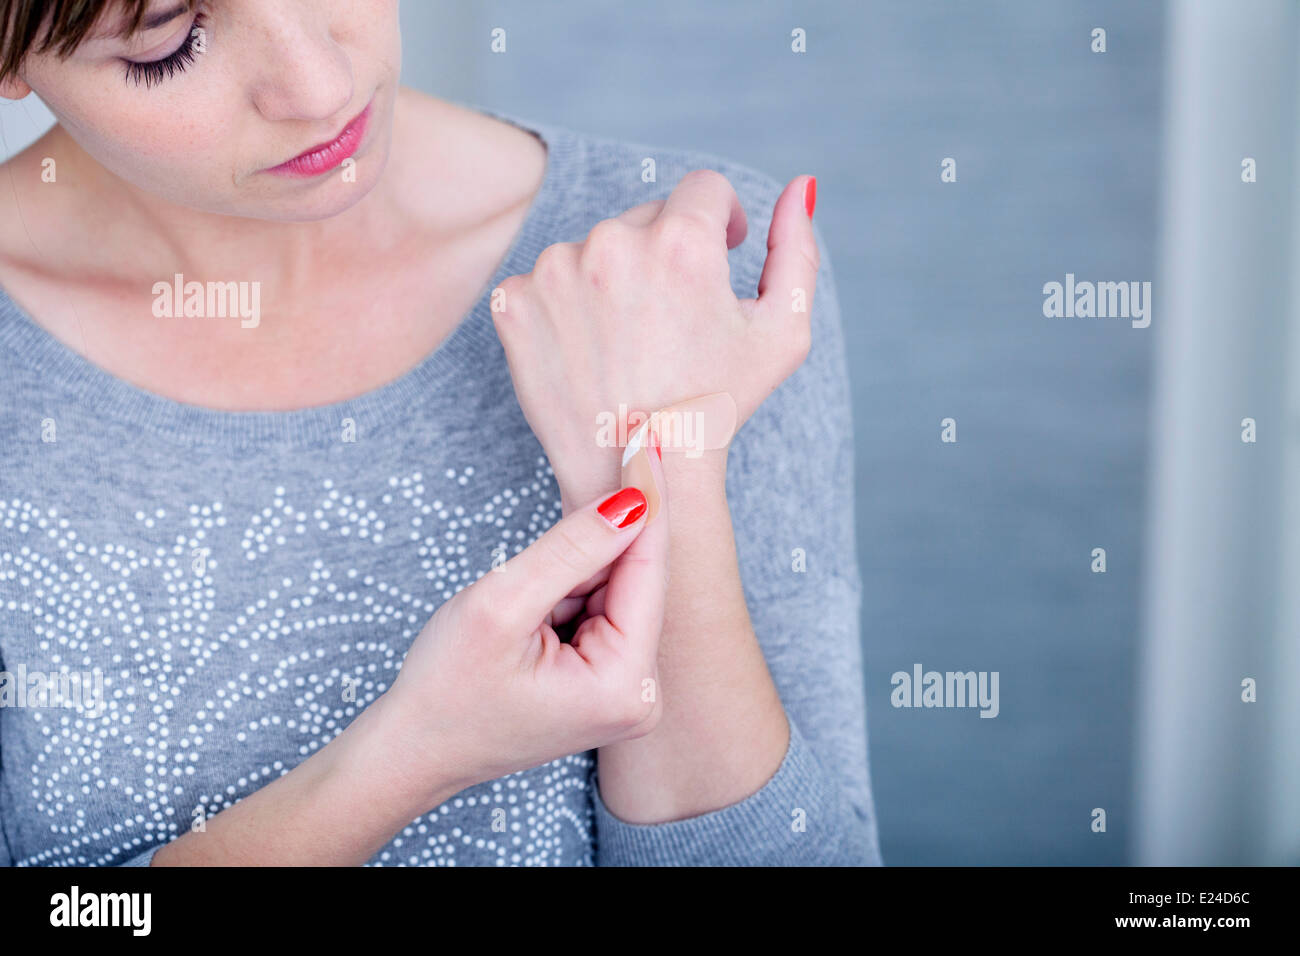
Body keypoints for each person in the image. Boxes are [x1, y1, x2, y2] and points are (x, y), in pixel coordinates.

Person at [0, 0, 880, 865]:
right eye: (168, 40)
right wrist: (408, 758)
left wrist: (661, 478)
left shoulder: (684, 267)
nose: (320, 87)